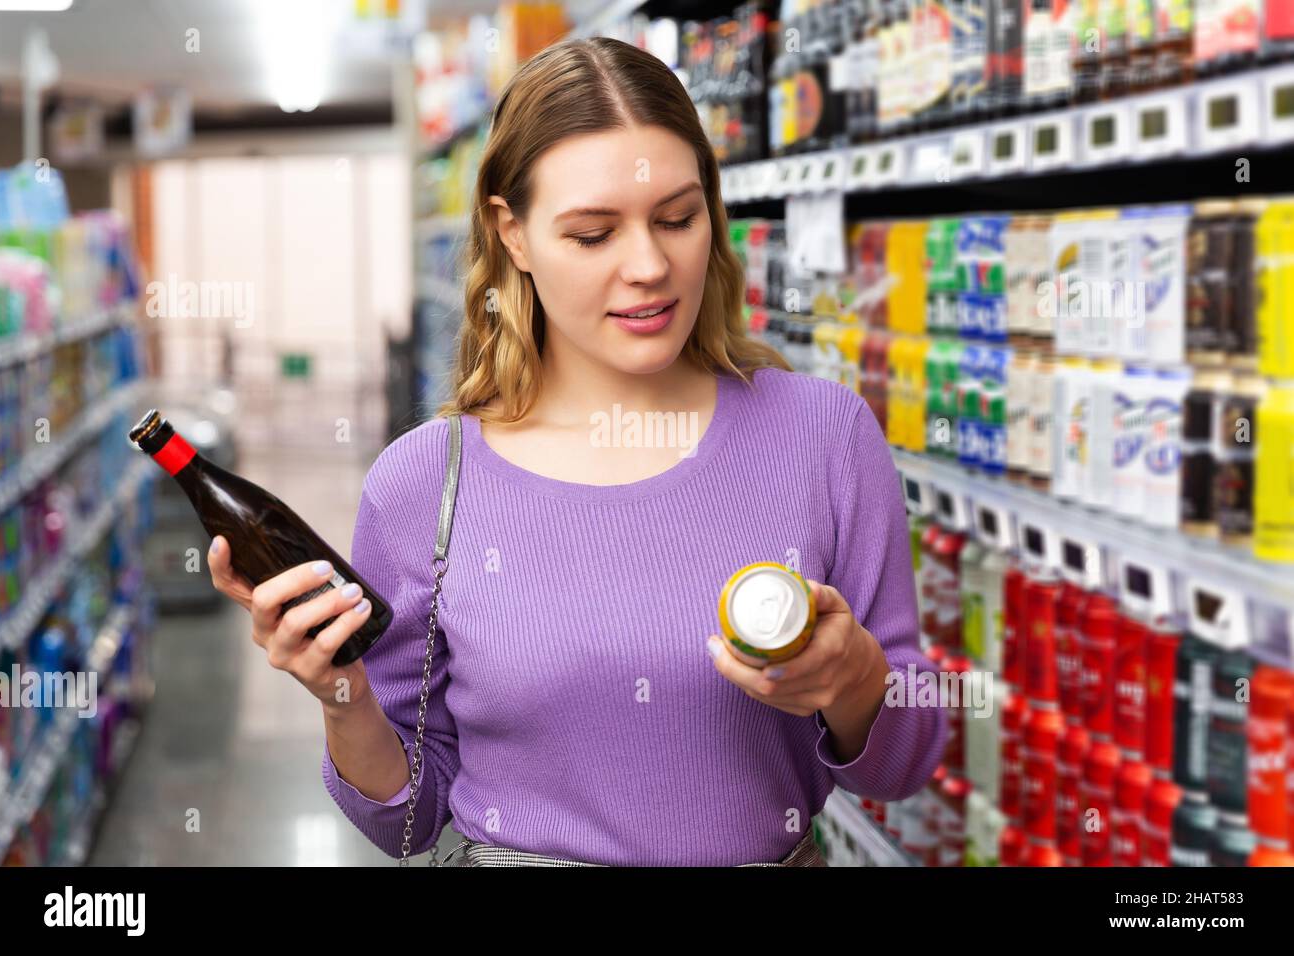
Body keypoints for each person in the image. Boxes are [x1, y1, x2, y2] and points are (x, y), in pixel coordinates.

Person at [207, 35, 946, 867]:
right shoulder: (425, 485)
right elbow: (407, 822)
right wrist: (343, 700)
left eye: (678, 217)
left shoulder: (824, 438)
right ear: (511, 234)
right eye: (593, 235)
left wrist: (854, 683)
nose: (650, 265)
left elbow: (906, 764)